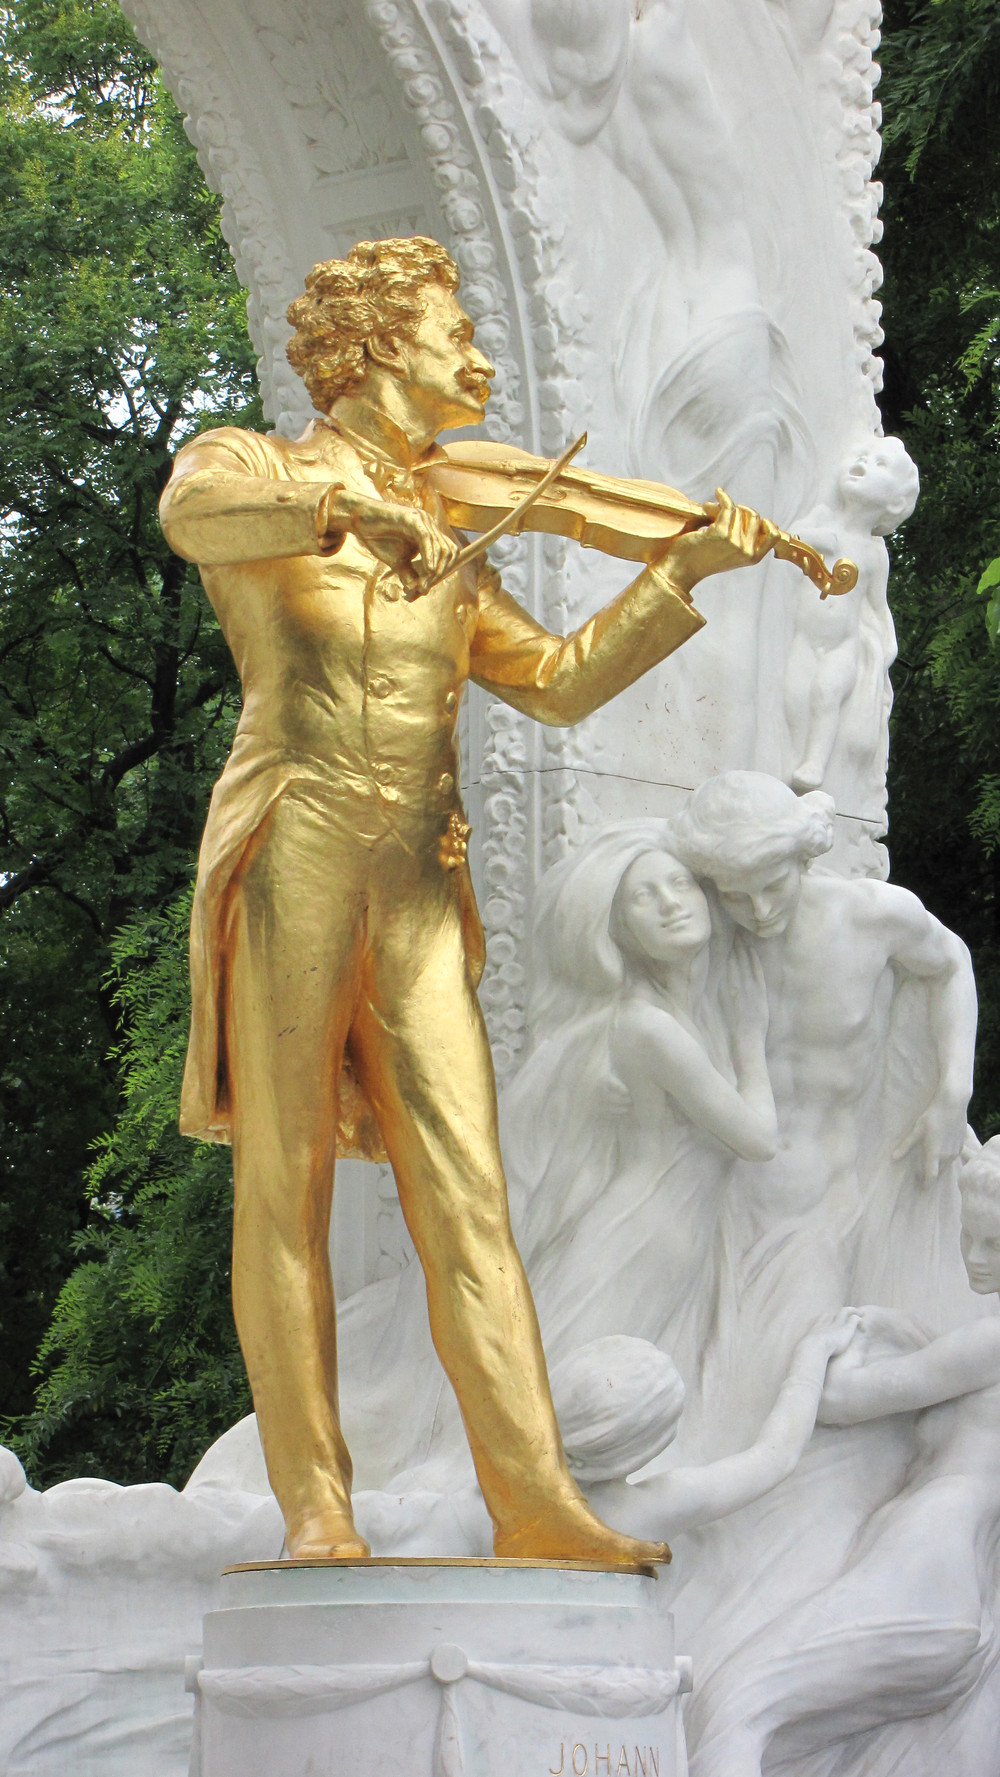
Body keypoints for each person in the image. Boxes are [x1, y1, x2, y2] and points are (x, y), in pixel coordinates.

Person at [158, 236, 775, 1564]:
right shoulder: (255, 468)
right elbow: (189, 519)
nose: (480, 359)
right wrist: (341, 514)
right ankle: (318, 1504)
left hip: (419, 880)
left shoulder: (451, 527)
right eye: (458, 334)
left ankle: (534, 1498)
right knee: (288, 1182)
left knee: (470, 1192)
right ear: (379, 346)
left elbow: (553, 678)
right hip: (294, 842)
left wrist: (679, 576)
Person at [668, 770, 976, 1420]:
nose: (758, 912)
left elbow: (949, 963)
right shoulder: (703, 943)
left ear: (803, 857)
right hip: (729, 1202)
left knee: (797, 1395)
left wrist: (953, 1087)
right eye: (734, 895)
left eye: (772, 886)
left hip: (842, 1193)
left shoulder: (871, 915)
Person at [687, 1138, 1000, 1776]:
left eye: (995, 1243)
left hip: (923, 1568)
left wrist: (819, 1345)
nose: (974, 1258)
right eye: (970, 1235)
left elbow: (843, 1400)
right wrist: (902, 1334)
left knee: (733, 1704)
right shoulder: (977, 1349)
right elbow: (950, 1380)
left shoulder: (991, 1341)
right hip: (936, 1576)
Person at [503, 824, 776, 1397]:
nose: (671, 903)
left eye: (679, 883)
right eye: (643, 896)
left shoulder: (673, 1010)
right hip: (645, 1238)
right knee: (587, 1404)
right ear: (618, 930)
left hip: (664, 1233)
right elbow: (757, 1141)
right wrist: (752, 1041)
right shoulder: (651, 1027)